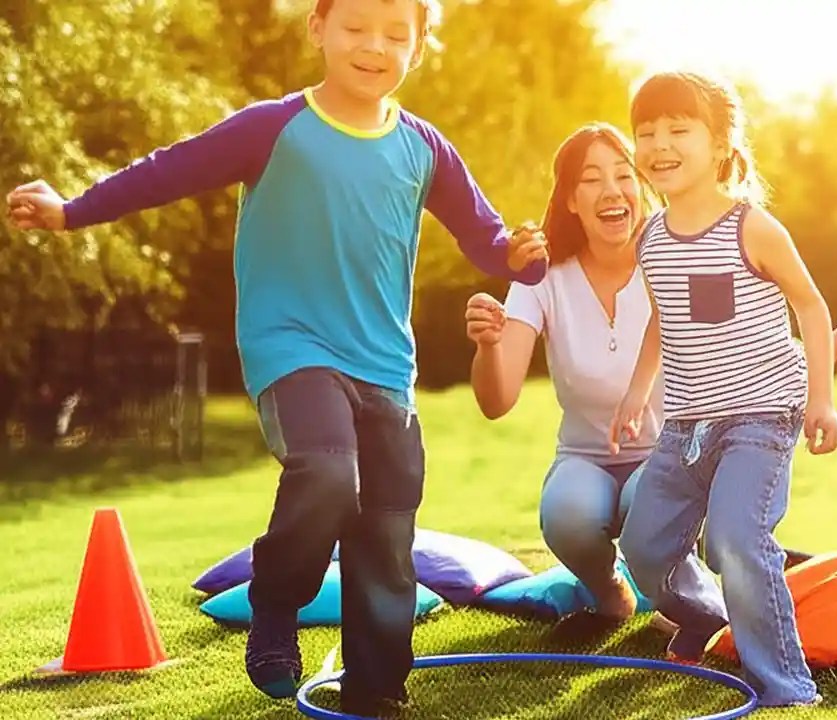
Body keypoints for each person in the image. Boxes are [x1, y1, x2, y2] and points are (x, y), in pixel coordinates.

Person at [6, 0, 548, 713]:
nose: (373, 46)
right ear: (318, 29)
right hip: (291, 348)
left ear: (417, 51)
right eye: (355, 27)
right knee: (326, 470)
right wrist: (72, 210)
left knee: (387, 530)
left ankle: (376, 688)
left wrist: (522, 257)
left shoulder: (424, 147)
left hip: (385, 366)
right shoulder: (274, 127)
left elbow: (487, 240)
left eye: (395, 34)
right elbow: (170, 170)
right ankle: (275, 603)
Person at [464, 122, 837, 635]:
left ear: (642, 187)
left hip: (672, 451)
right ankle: (609, 594)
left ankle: (688, 600)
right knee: (568, 512)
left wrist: (823, 352)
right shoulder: (543, 276)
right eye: (592, 179)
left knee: (655, 499)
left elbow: (736, 353)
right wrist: (488, 344)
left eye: (623, 174)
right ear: (570, 199)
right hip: (585, 458)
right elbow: (496, 399)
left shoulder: (677, 253)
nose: (612, 190)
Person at [604, 70, 837, 709]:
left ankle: (785, 687)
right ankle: (704, 613)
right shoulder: (649, 239)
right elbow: (664, 317)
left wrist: (821, 397)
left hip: (760, 419)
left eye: (678, 130)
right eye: (647, 132)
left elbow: (811, 307)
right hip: (684, 426)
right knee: (643, 547)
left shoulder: (751, 227)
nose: (660, 145)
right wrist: (637, 391)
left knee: (738, 540)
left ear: (719, 144)